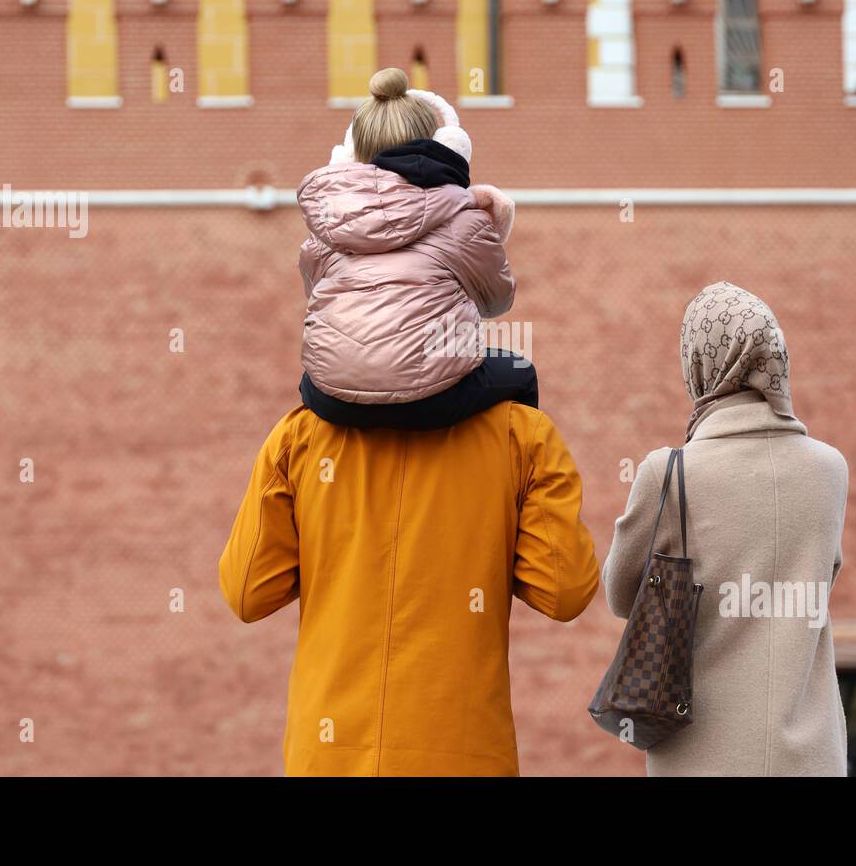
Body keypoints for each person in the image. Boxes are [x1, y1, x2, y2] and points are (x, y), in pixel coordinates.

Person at [218, 401, 599, 775]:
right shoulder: (520, 433)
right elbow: (565, 592)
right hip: (463, 753)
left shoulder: (301, 434)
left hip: (329, 754)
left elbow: (247, 593)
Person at [602, 282, 849, 776]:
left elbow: (620, 595)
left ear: (700, 364)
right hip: (812, 754)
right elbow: (823, 575)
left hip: (703, 756)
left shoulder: (668, 473)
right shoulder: (830, 469)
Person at [295, 67, 534, 431]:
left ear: (348, 155)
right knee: (522, 374)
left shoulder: (326, 225)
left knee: (310, 380)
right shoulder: (464, 216)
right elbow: (496, 302)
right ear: (445, 146)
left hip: (334, 398)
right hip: (433, 399)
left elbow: (315, 293)